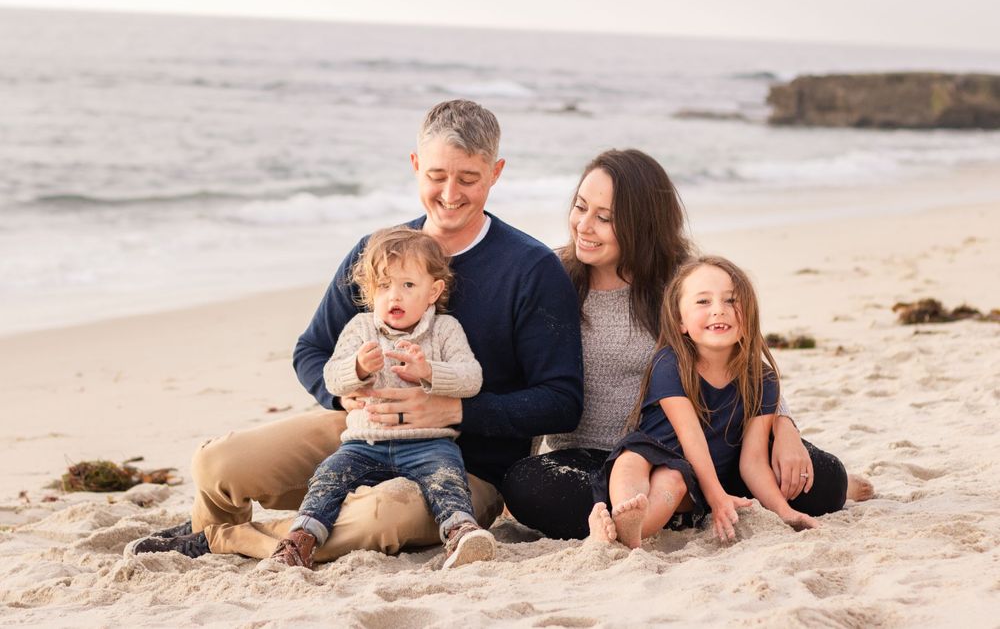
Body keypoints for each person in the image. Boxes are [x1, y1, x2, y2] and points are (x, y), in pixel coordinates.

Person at [126, 99, 584, 562]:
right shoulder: (376, 253)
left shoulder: (531, 268)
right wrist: (346, 398)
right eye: (436, 176)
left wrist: (453, 410)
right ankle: (213, 524)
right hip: (359, 434)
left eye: (468, 179)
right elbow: (311, 350)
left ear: (496, 172)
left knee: (380, 517)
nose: (450, 194)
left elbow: (561, 401)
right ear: (414, 164)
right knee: (217, 464)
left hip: (465, 471)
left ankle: (222, 540)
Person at [502, 149, 870, 541]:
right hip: (599, 459)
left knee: (825, 479)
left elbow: (745, 357)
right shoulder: (551, 280)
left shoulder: (686, 282)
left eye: (605, 218)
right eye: (580, 207)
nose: (584, 226)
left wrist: (786, 426)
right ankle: (681, 505)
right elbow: (531, 379)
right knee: (526, 486)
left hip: (708, 448)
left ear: (643, 224)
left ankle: (682, 503)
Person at [270, 226, 494, 569]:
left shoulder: (446, 330)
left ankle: (461, 532)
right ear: (370, 292)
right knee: (329, 477)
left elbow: (471, 378)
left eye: (408, 285)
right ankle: (299, 540)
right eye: (384, 286)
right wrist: (357, 368)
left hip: (428, 442)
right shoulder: (360, 328)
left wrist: (429, 371)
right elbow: (331, 377)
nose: (395, 296)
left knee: (447, 477)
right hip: (364, 442)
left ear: (433, 291)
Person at [588, 256, 819, 548]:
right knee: (630, 459)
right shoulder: (671, 362)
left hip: (691, 477)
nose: (719, 311)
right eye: (703, 302)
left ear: (749, 316)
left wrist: (784, 512)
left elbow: (754, 460)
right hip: (653, 449)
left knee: (672, 480)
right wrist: (717, 498)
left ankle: (635, 530)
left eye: (731, 300)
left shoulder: (763, 379)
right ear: (680, 321)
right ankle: (624, 511)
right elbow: (690, 435)